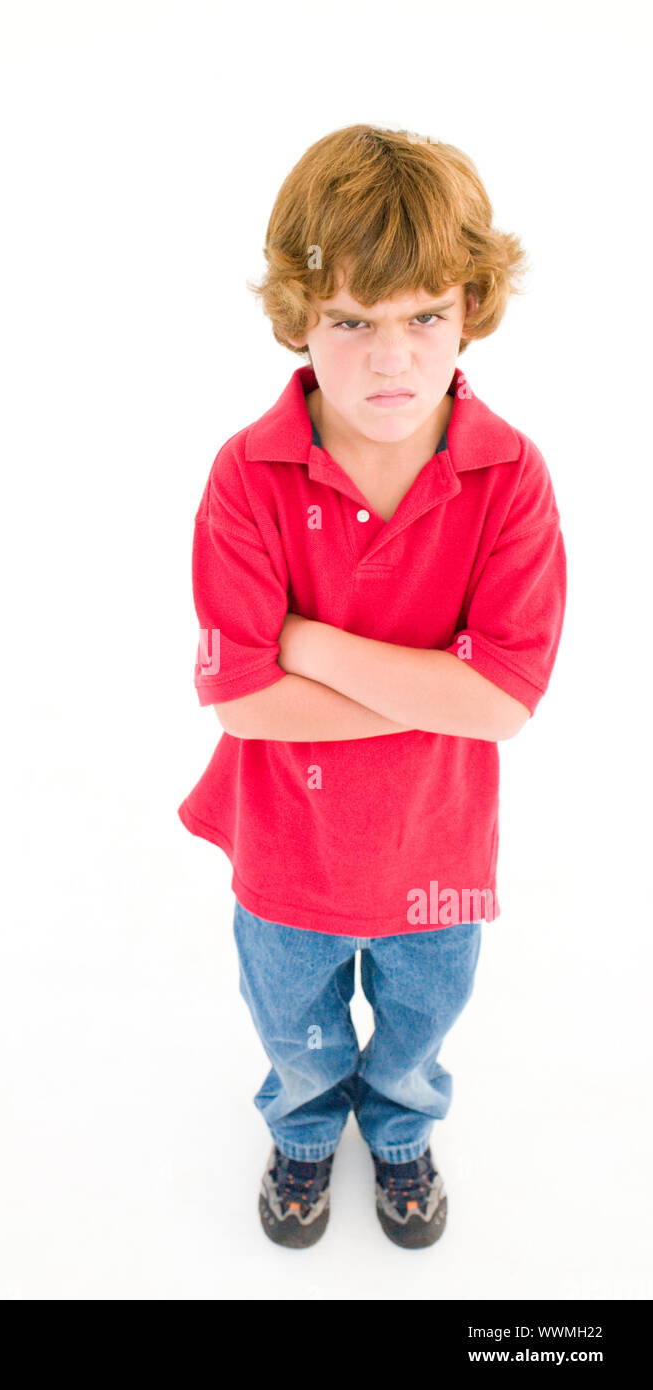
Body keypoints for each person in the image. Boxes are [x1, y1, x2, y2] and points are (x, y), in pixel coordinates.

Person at [177, 125, 567, 1250]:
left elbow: (503, 705)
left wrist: (305, 640)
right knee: (294, 1025)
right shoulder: (246, 476)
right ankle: (303, 1126)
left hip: (438, 844)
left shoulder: (510, 477)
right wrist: (438, 680)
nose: (389, 358)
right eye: (351, 320)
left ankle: (400, 1130)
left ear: (471, 310)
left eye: (423, 317)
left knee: (419, 1021)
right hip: (284, 843)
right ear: (300, 317)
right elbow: (242, 702)